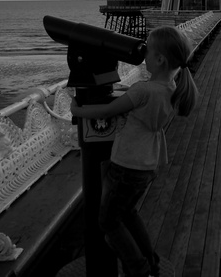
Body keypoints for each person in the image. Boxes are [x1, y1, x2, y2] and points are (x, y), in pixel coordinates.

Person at [70, 25, 198, 277]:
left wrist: (78, 110)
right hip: (147, 164)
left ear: (160, 59)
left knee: (107, 222)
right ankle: (151, 263)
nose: (143, 56)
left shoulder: (142, 90)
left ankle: (138, 268)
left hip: (127, 163)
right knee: (127, 212)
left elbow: (107, 111)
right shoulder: (173, 89)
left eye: (148, 52)